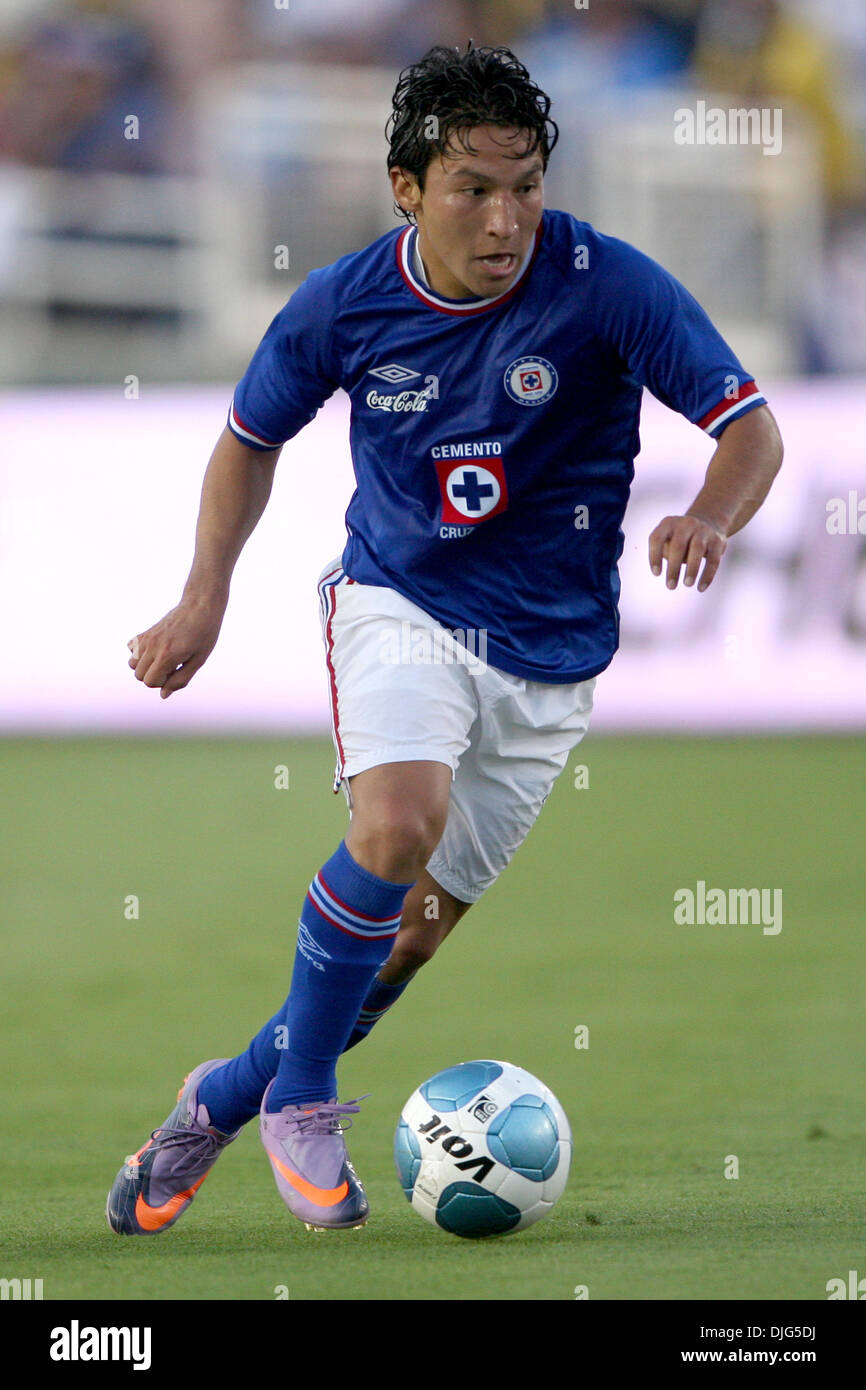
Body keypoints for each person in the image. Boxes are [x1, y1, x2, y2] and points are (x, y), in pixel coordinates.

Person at [106, 43, 782, 1236]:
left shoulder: (606, 284)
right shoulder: (339, 303)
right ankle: (300, 1102)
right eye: (473, 187)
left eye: (524, 185)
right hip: (399, 600)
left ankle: (214, 1101)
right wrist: (201, 596)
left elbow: (750, 431)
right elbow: (245, 442)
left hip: (552, 657)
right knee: (395, 821)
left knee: (405, 944)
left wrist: (708, 516)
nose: (507, 216)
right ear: (405, 188)